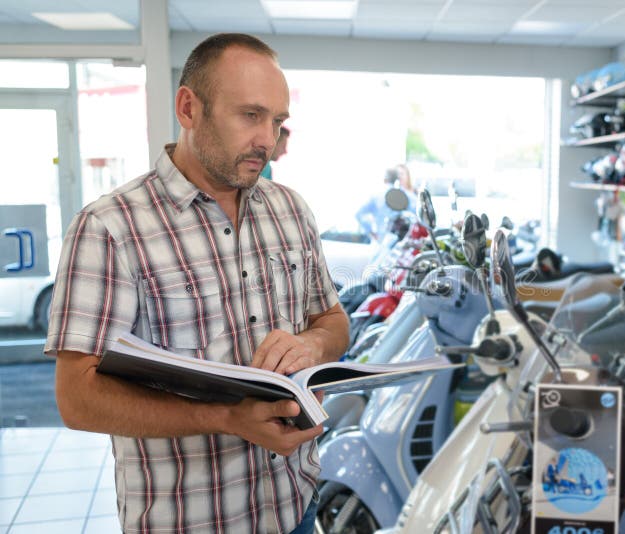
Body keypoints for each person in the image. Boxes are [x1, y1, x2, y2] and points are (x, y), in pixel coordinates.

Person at [46, 33, 349, 534]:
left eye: (277, 122)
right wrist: (227, 419)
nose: (267, 140)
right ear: (189, 108)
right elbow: (76, 398)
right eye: (250, 116)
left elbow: (333, 320)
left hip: (295, 508)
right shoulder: (110, 227)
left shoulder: (291, 210)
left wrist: (311, 344)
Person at [355, 166, 416, 242]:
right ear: (398, 179)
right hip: (403, 244)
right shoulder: (409, 196)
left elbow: (358, 214)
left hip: (381, 242)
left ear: (384, 180)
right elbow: (419, 216)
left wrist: (371, 232)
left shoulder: (376, 196)